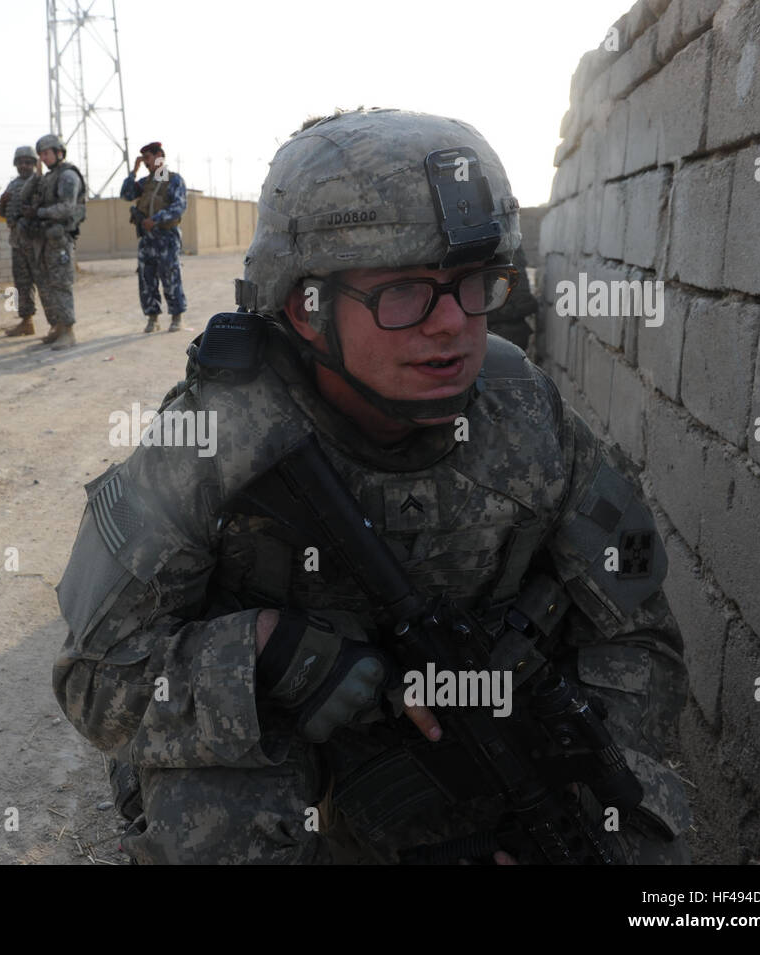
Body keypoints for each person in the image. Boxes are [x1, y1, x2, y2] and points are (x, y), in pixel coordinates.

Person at [52, 109, 691, 865]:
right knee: (213, 823)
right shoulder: (212, 441)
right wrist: (264, 653)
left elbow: (636, 633)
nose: (453, 325)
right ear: (306, 307)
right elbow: (96, 681)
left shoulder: (527, 413)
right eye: (406, 292)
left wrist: (583, 773)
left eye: (474, 284)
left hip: (480, 730)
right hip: (289, 738)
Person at [16, 134, 86, 349]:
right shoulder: (48, 177)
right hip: (45, 240)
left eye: (46, 154)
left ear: (59, 152)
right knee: (47, 285)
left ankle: (68, 331)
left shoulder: (67, 176)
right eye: (41, 155)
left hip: (59, 240)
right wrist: (37, 175)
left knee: (61, 284)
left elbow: (67, 207)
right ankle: (57, 327)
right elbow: (23, 197)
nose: (43, 158)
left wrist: (40, 212)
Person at [121, 141, 188, 333]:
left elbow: (179, 206)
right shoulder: (145, 183)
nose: (146, 163)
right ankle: (152, 318)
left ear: (159, 156)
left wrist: (156, 219)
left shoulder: (174, 180)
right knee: (146, 278)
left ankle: (177, 317)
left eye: (148, 158)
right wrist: (133, 171)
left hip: (167, 237)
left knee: (170, 275)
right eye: (143, 161)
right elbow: (126, 194)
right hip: (147, 239)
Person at [0, 145, 41, 337]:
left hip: (36, 240)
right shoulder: (12, 185)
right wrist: (3, 203)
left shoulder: (40, 183)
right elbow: (0, 212)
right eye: (20, 162)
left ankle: (57, 323)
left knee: (43, 282)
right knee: (21, 282)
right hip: (17, 240)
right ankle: (26, 321)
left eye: (28, 162)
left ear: (34, 164)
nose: (24, 165)